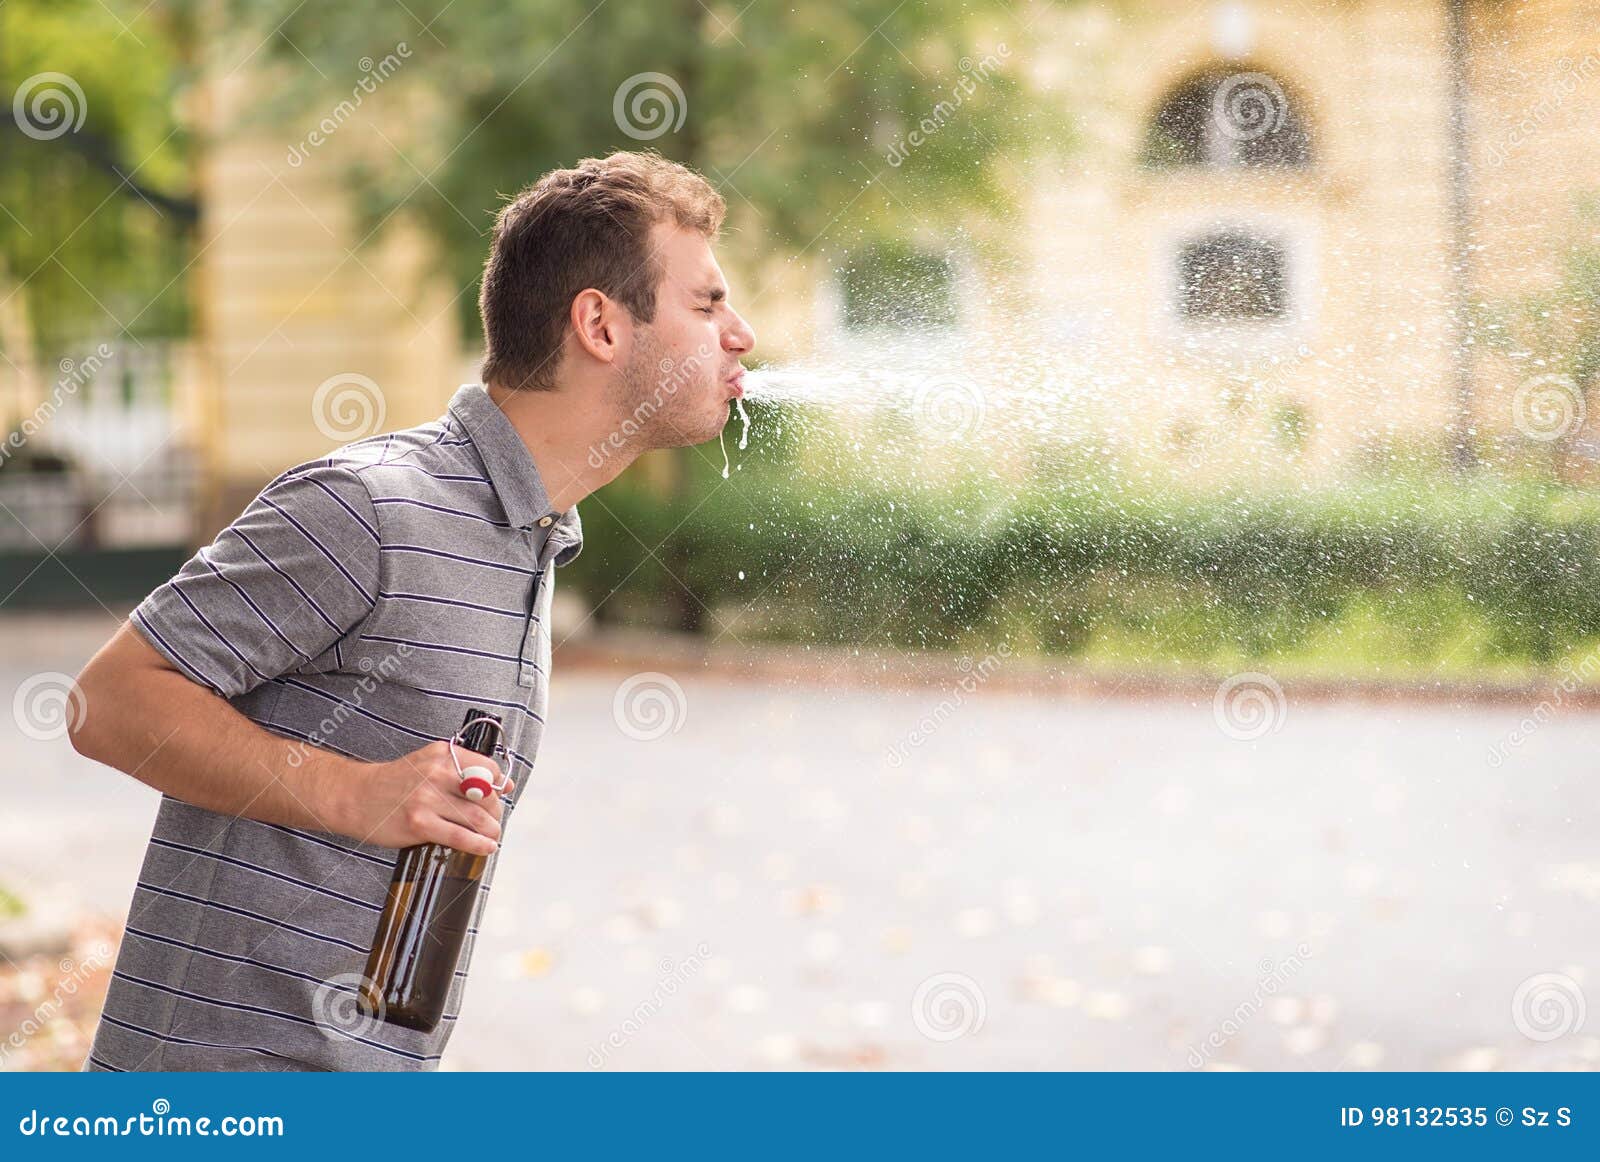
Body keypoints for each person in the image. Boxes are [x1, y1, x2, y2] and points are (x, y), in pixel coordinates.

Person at [68, 150, 756, 1071]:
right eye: (706, 304)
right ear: (600, 323)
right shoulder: (372, 507)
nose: (740, 333)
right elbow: (106, 702)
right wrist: (351, 792)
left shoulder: (529, 542)